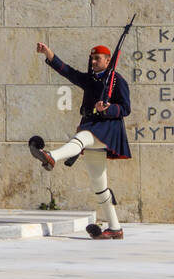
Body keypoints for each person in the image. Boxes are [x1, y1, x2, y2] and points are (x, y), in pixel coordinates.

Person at [29, 42, 131, 239]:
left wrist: (107, 108)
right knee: (98, 185)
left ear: (108, 61)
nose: (92, 62)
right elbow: (69, 72)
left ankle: (51, 156)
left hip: (108, 129)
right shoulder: (90, 79)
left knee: (82, 137)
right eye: (91, 58)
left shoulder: (118, 81)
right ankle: (115, 228)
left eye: (97, 59)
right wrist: (49, 54)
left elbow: (125, 108)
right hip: (93, 126)